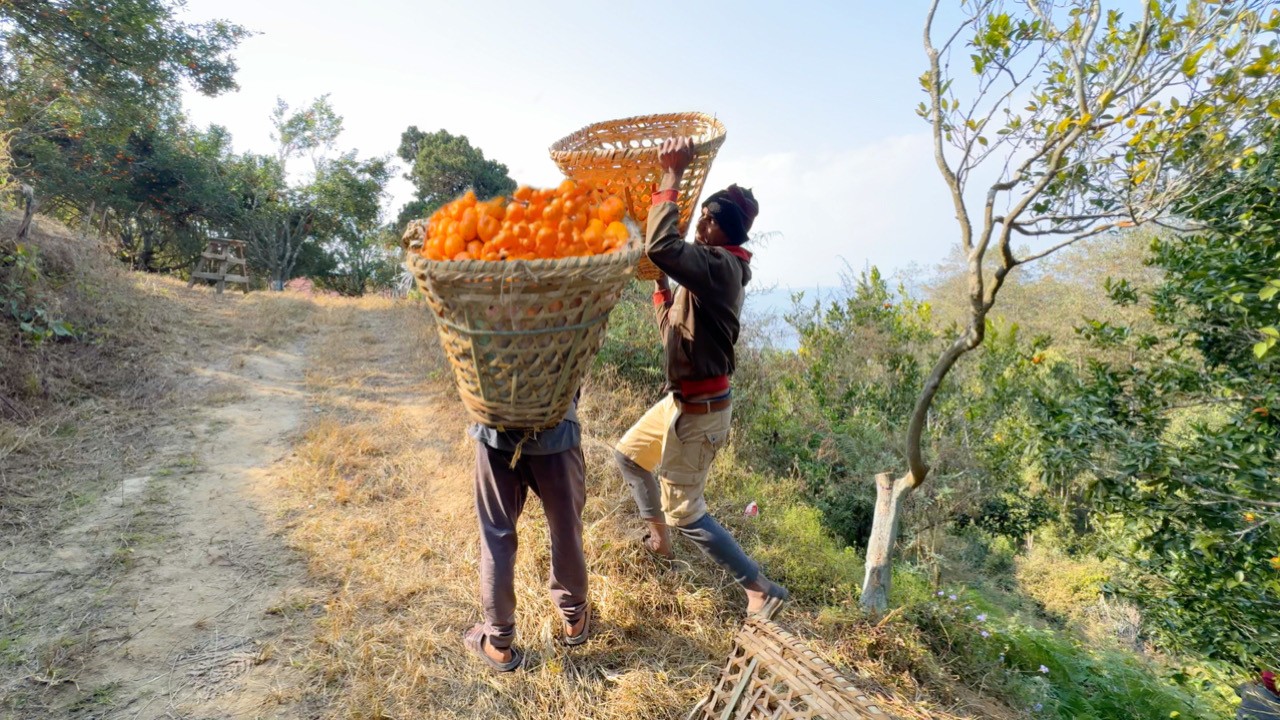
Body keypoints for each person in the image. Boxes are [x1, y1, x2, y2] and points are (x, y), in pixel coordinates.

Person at [613, 136, 788, 618]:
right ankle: (659, 540)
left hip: (701, 412)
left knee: (686, 509)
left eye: (706, 218)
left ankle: (758, 588)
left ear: (721, 228)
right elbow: (673, 328)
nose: (701, 224)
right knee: (629, 457)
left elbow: (664, 244)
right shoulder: (709, 270)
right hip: (683, 402)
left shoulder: (721, 267)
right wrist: (659, 285)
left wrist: (671, 176)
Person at [463, 398, 589, 672]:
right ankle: (574, 619)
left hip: (496, 430)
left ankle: (498, 644)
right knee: (566, 529)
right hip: (556, 430)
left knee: (497, 537)